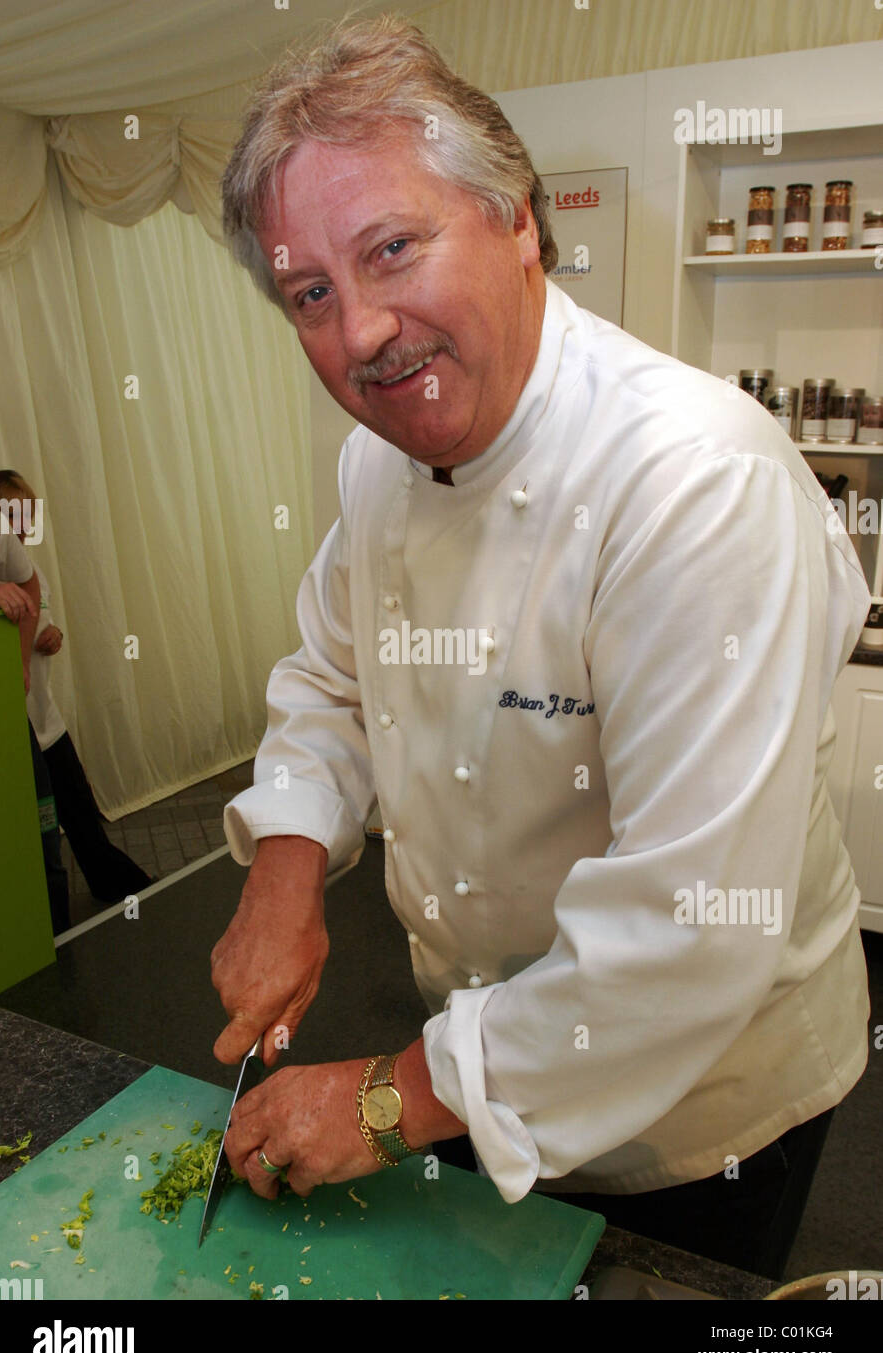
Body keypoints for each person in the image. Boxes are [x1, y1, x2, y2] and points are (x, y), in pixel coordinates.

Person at [209, 16, 871, 1278]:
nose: (358, 335)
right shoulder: (379, 460)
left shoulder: (693, 482)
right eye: (310, 293)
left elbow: (686, 932)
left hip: (706, 1104)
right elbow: (336, 678)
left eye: (392, 248)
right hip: (478, 1044)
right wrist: (284, 869)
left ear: (517, 217)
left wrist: (377, 1103)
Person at [0, 470, 153, 906]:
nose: (20, 524)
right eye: (10, 513)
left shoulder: (26, 570)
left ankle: (121, 891)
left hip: (45, 718)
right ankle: (46, 918)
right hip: (11, 727)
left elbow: (40, 616)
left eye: (25, 514)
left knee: (80, 815)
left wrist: (48, 636)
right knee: (35, 830)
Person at [0, 493, 70, 933]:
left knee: (40, 826)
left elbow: (29, 583)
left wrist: (18, 661)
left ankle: (54, 943)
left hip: (1, 713)